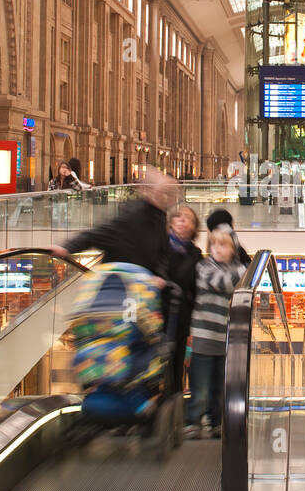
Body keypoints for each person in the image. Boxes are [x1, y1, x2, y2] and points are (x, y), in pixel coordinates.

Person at [50, 168, 178, 279]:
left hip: (141, 285)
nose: (170, 199)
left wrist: (159, 277)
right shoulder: (135, 215)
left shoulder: (160, 217)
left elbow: (162, 254)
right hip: (122, 285)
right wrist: (67, 248)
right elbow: (100, 233)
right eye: (166, 193)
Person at [186, 227, 246, 438]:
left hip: (223, 338)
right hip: (203, 337)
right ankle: (192, 422)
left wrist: (240, 269)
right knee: (200, 387)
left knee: (219, 387)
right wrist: (243, 269)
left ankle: (216, 422)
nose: (218, 249)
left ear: (232, 249)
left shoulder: (234, 269)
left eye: (223, 245)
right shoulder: (204, 267)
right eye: (214, 244)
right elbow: (223, 283)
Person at [165, 204, 202, 398]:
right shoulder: (159, 247)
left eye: (188, 218)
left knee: (177, 365)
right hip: (156, 316)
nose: (182, 220)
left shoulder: (195, 255)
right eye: (178, 216)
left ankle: (172, 410)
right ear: (170, 222)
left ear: (194, 228)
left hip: (180, 320)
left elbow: (195, 290)